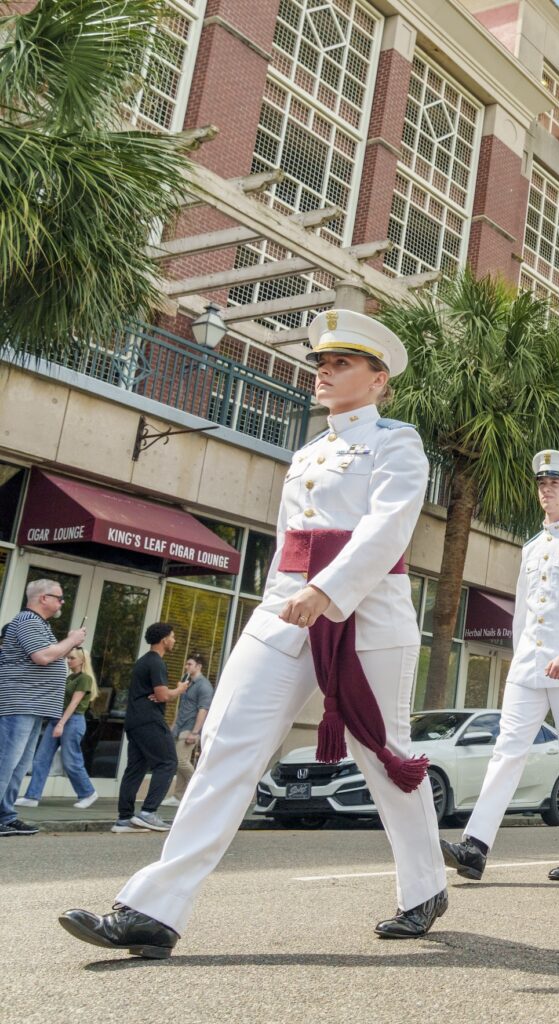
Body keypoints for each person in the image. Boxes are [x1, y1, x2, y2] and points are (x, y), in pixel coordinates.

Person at [61, 309, 447, 957]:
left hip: (365, 617)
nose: (325, 372)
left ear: (379, 381)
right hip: (284, 613)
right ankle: (153, 909)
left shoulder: (397, 442)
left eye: (342, 363)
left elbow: (390, 526)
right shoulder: (308, 452)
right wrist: (282, 603)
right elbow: (288, 544)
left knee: (384, 758)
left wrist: (329, 589)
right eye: (321, 363)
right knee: (226, 747)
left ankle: (425, 886)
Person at [442, 449, 559, 885]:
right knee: (506, 751)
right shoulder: (533, 546)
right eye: (542, 483)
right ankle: (475, 846)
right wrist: (520, 656)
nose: (546, 490)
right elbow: (523, 611)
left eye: (555, 483)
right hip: (529, 667)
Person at [0, 579, 86, 837]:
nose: (62, 602)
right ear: (43, 598)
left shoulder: (40, 624)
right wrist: (71, 640)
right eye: (59, 597)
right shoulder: (27, 621)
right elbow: (43, 656)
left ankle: (6, 815)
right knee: (6, 762)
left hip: (33, 704)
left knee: (19, 764)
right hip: (20, 703)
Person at [113, 623, 181, 834]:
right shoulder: (156, 662)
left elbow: (156, 693)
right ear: (164, 639)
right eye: (172, 637)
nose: (174, 640)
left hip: (134, 720)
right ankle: (148, 812)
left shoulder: (142, 661)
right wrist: (179, 690)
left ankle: (124, 819)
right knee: (168, 762)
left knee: (135, 768)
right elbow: (162, 695)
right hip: (150, 719)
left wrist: (161, 693)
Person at [16, 647, 97, 810]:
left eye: (72, 658)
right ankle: (32, 796)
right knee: (41, 759)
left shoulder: (85, 679)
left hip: (72, 721)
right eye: (68, 658)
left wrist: (61, 724)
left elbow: (74, 703)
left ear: (82, 660)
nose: (68, 661)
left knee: (71, 761)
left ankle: (88, 793)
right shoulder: (70, 678)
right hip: (57, 720)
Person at [166, 654, 214, 805]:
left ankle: (201, 786)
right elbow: (182, 706)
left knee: (180, 760)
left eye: (189, 664)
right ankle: (178, 797)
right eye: (186, 664)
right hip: (180, 727)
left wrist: (195, 732)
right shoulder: (186, 682)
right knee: (180, 762)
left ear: (199, 666)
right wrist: (174, 725)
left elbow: (203, 710)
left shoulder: (204, 686)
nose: (186, 666)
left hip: (190, 728)